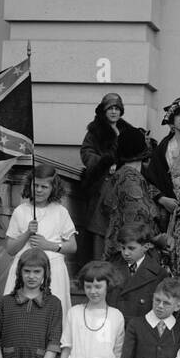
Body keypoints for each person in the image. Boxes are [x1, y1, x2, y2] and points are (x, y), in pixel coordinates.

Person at [4, 165, 78, 314]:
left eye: (44, 187)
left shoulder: (60, 211)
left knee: (51, 313)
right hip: (25, 269)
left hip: (53, 269)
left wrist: (49, 245)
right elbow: (10, 249)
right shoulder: (21, 211)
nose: (38, 190)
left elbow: (72, 246)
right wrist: (26, 234)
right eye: (35, 185)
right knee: (21, 312)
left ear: (53, 188)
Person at [144, 96, 180, 278]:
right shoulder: (163, 147)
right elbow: (149, 180)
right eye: (178, 114)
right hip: (167, 216)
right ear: (171, 119)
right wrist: (162, 199)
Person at [101, 124, 165, 261]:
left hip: (118, 250)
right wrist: (161, 240)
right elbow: (139, 222)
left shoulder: (120, 175)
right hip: (131, 255)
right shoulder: (131, 180)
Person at [79, 92, 128, 262]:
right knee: (99, 227)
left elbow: (135, 153)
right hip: (100, 185)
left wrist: (122, 166)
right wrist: (104, 163)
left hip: (122, 185)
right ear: (103, 111)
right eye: (110, 108)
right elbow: (86, 152)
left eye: (116, 108)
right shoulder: (95, 130)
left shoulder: (127, 130)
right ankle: (97, 266)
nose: (114, 112)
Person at [107, 221, 166, 322]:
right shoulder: (110, 270)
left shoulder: (159, 274)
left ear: (146, 247)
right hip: (114, 327)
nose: (126, 253)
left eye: (131, 248)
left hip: (141, 331)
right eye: (123, 248)